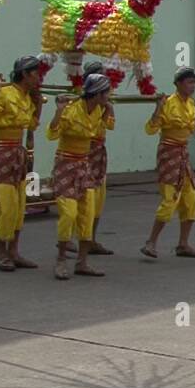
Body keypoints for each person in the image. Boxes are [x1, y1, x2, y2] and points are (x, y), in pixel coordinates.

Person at [47, 74, 113, 280]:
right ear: (97, 93)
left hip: (85, 164)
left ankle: (82, 262)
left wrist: (109, 111)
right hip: (66, 164)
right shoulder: (71, 109)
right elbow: (52, 134)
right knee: (69, 213)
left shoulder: (98, 111)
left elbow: (104, 129)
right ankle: (60, 260)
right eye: (106, 93)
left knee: (87, 212)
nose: (109, 96)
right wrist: (58, 112)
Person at [0, 56, 43, 272]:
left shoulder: (27, 96)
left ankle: (14, 251)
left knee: (19, 206)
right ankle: (1, 252)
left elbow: (33, 124)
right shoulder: (5, 92)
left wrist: (37, 101)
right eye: (35, 73)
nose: (39, 77)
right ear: (25, 74)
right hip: (2, 152)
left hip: (18, 152)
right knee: (7, 206)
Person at [141, 67, 195, 259]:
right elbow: (150, 130)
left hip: (183, 153)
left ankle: (183, 244)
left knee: (191, 199)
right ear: (178, 84)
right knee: (170, 199)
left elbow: (191, 129)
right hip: (169, 152)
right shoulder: (167, 103)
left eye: (194, 82)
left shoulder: (192, 104)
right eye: (188, 82)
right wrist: (158, 109)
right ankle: (151, 242)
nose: (192, 86)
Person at [81, 61, 115, 256]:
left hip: (100, 153)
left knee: (99, 200)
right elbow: (91, 130)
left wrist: (108, 110)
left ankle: (92, 239)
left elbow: (109, 127)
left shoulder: (103, 105)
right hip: (84, 153)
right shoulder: (82, 105)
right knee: (82, 200)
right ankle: (69, 239)